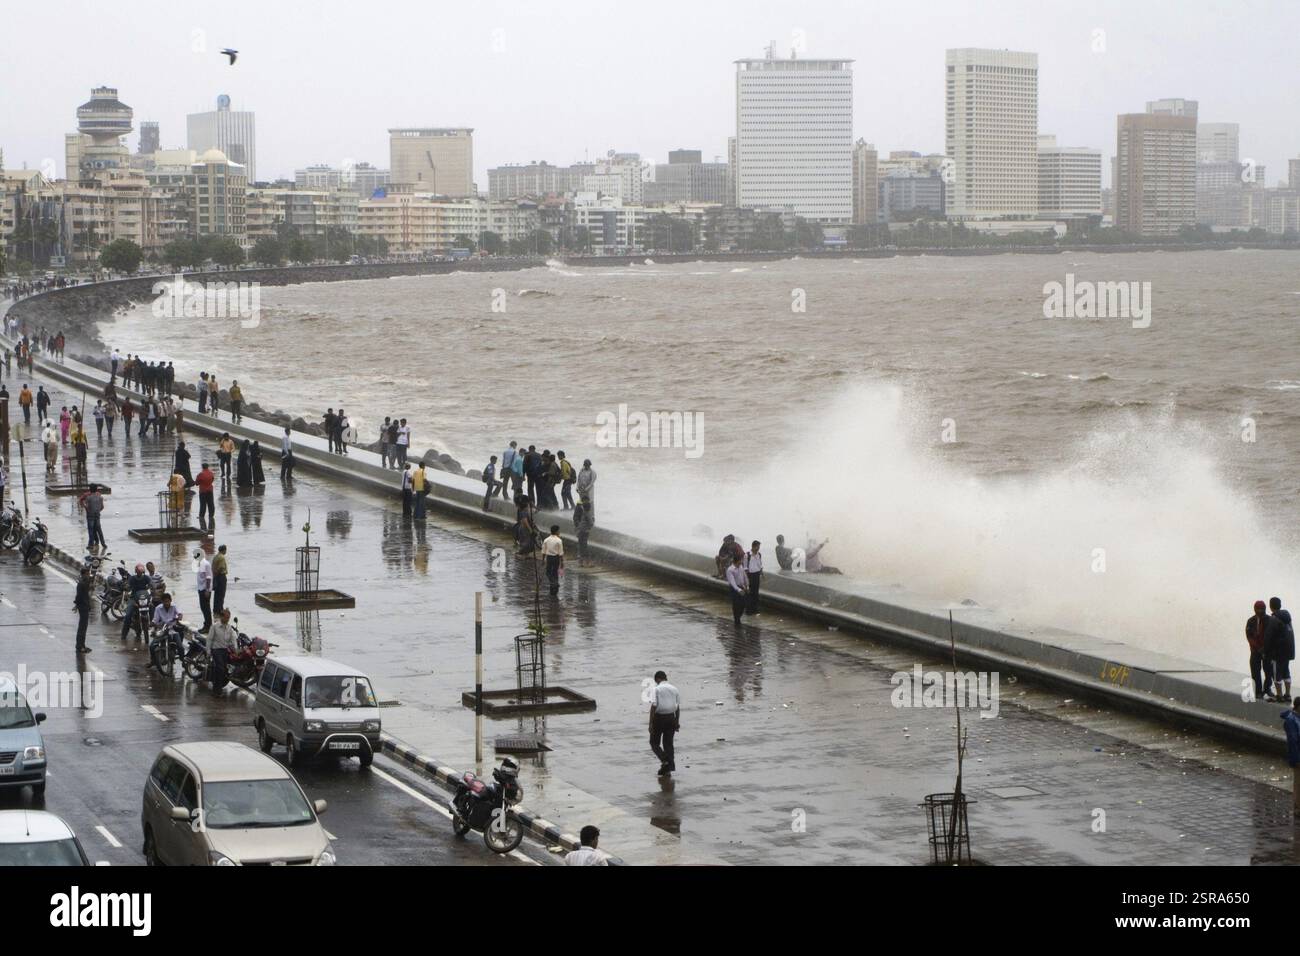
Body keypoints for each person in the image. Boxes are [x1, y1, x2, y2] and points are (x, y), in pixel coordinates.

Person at [649, 670, 680, 776]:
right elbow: (677, 707)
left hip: (659, 718)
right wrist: (677, 722)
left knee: (654, 743)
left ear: (658, 679)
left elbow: (653, 706)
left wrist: (650, 724)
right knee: (668, 744)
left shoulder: (656, 689)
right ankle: (668, 768)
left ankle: (665, 760)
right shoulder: (675, 689)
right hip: (671, 718)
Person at [207, 608, 237, 692]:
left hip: (225, 650)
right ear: (221, 617)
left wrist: (236, 649)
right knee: (220, 668)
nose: (227, 619)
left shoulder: (229, 628)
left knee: (224, 670)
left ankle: (217, 686)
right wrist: (208, 652)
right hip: (216, 650)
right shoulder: (214, 626)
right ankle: (217, 689)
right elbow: (209, 639)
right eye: (226, 617)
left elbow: (232, 639)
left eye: (229, 618)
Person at [120, 564, 153, 640]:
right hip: (134, 598)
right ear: (136, 571)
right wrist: (126, 587)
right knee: (128, 615)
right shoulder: (132, 578)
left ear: (143, 572)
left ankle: (152, 623)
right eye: (138, 572)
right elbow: (128, 585)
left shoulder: (146, 578)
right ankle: (124, 634)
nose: (139, 574)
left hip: (144, 597)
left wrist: (153, 586)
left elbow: (151, 583)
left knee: (151, 606)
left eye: (141, 572)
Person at [1272, 597, 1295, 702]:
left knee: (1277, 673)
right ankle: (1288, 694)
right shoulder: (1287, 616)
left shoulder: (1274, 618)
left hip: (1278, 652)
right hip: (1288, 651)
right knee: (1286, 672)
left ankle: (1279, 695)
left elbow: (1270, 636)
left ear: (1271, 606)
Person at [1248, 600, 1271, 701]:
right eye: (1258, 609)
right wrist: (1257, 648)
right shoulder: (1251, 621)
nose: (1260, 611)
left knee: (1269, 671)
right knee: (1255, 671)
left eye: (1262, 609)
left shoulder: (1270, 620)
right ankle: (1258, 691)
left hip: (1267, 651)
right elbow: (1249, 636)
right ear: (1254, 609)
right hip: (1255, 651)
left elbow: (1271, 636)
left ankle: (1267, 689)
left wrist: (1265, 649)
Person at [79, 484, 106, 550]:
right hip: (97, 515)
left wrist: (85, 507)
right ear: (96, 489)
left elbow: (87, 506)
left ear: (90, 490)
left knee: (91, 530)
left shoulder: (88, 497)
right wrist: (97, 511)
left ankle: (91, 545)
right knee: (99, 530)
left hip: (90, 515)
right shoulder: (100, 497)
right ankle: (103, 543)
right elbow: (102, 507)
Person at [725, 551, 749, 625]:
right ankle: (737, 620)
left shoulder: (741, 567)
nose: (741, 562)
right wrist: (738, 590)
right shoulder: (730, 570)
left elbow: (744, 576)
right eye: (740, 560)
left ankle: (738, 617)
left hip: (742, 587)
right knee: (736, 605)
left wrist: (747, 585)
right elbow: (732, 582)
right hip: (734, 589)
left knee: (743, 604)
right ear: (737, 561)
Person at [73, 566, 93, 654]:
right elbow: (79, 596)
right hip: (83, 607)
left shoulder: (84, 582)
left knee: (83, 627)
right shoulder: (82, 583)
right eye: (88, 574)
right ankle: (79, 646)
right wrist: (76, 604)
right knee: (82, 628)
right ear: (84, 574)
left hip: (84, 606)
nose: (89, 575)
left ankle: (82, 645)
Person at [543, 524, 565, 597]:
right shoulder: (559, 540)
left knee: (548, 572)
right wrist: (562, 562)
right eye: (559, 531)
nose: (559, 532)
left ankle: (553, 583)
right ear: (556, 531)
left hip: (549, 558)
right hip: (556, 558)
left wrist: (543, 560)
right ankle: (555, 583)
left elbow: (543, 551)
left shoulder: (546, 540)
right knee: (555, 571)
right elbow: (561, 553)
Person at [195, 550, 213, 633]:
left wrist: (207, 590)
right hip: (200, 589)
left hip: (205, 590)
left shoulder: (206, 564)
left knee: (206, 609)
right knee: (203, 608)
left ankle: (208, 626)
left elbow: (208, 578)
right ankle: (206, 625)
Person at [195, 461, 216, 530]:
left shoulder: (200, 474)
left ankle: (202, 516)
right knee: (211, 504)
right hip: (210, 490)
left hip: (203, 491)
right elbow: (212, 479)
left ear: (202, 467)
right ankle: (211, 515)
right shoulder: (211, 473)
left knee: (203, 504)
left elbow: (197, 483)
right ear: (207, 467)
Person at [745, 540, 763, 616]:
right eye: (757, 547)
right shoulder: (747, 555)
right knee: (750, 593)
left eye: (759, 547)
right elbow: (745, 567)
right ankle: (748, 610)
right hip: (750, 575)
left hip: (757, 574)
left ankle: (755, 609)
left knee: (756, 593)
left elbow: (760, 564)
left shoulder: (759, 554)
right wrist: (746, 578)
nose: (758, 549)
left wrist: (761, 572)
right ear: (753, 546)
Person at [573, 499, 594, 567]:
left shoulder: (584, 513)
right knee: (583, 546)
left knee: (582, 546)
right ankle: (586, 561)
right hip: (583, 531)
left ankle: (583, 561)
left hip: (581, 531)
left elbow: (588, 523)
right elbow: (590, 523)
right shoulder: (586, 513)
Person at [212, 544, 229, 617]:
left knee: (217, 594)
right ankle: (220, 610)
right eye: (225, 550)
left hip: (216, 577)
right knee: (221, 594)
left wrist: (215, 575)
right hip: (221, 577)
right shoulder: (222, 557)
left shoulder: (216, 556)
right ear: (224, 550)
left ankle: (216, 609)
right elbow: (221, 568)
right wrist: (218, 573)